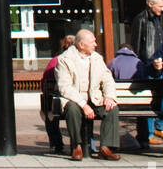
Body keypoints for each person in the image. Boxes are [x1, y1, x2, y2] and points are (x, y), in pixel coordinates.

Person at [55, 27, 121, 160]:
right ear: (81, 45)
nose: (96, 45)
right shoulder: (64, 59)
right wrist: (84, 105)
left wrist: (109, 96)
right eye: (92, 42)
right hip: (75, 99)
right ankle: (76, 146)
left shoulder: (97, 58)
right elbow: (65, 87)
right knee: (72, 109)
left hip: (95, 98)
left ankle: (106, 148)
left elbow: (107, 79)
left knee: (112, 108)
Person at [131, 0, 163, 144]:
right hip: (147, 64)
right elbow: (136, 45)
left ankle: (159, 127)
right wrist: (140, 64)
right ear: (150, 4)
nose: (162, 9)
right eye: (160, 6)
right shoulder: (140, 19)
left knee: (159, 96)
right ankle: (148, 134)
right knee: (147, 99)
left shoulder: (160, 18)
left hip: (160, 64)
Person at [109, 40, 154, 148]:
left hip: (118, 103)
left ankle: (112, 142)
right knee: (142, 112)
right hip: (139, 103)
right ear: (132, 51)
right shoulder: (139, 62)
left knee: (111, 111)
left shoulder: (112, 62)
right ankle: (144, 140)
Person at [40, 34, 74, 154]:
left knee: (49, 108)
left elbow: (44, 83)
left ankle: (56, 144)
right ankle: (83, 144)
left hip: (55, 103)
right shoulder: (78, 60)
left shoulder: (55, 60)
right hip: (75, 101)